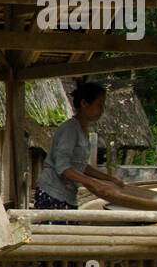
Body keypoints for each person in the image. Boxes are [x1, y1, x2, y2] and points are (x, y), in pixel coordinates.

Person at [35, 81, 125, 213]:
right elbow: (63, 167)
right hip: (53, 195)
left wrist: (109, 179)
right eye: (99, 105)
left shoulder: (83, 130)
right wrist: (95, 184)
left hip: (68, 196)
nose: (102, 110)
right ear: (84, 104)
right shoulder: (70, 129)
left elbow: (80, 165)